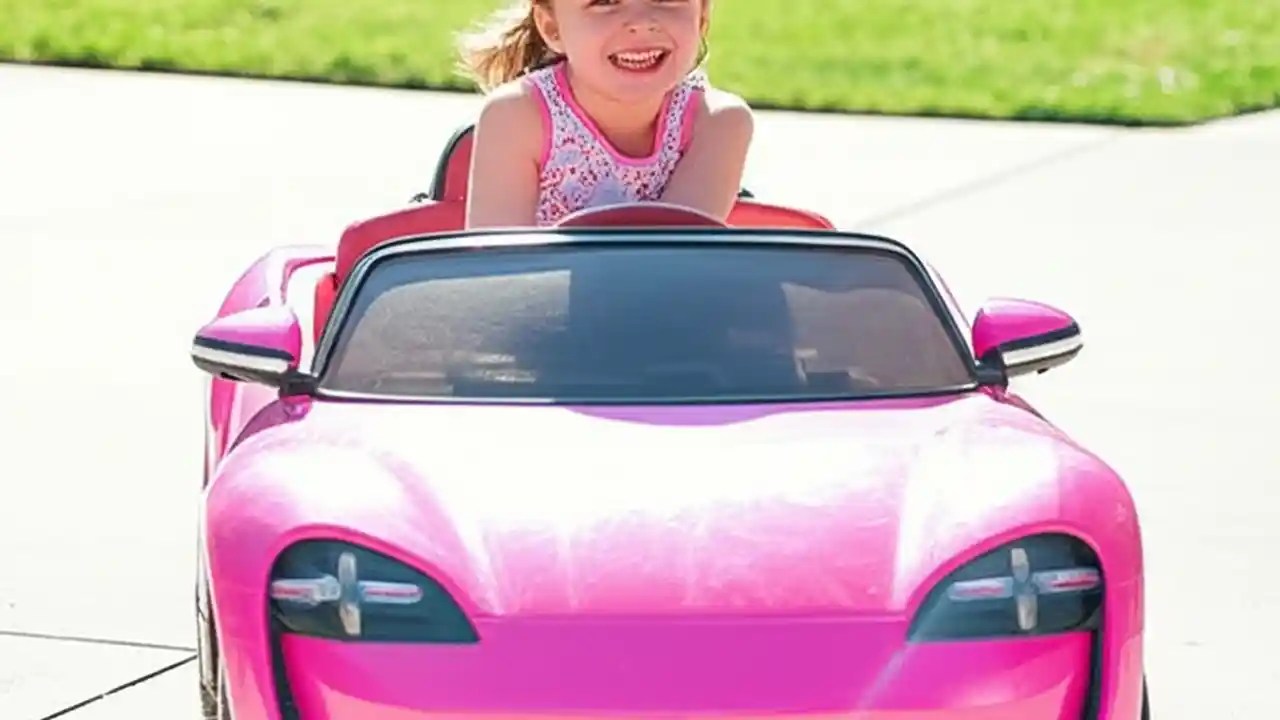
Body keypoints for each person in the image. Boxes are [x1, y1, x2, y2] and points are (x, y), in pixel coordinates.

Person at [456, 0, 754, 228]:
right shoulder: (517, 117)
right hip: (542, 305)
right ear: (552, 28)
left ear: (701, 16)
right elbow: (498, 275)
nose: (641, 22)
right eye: (606, 1)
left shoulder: (718, 124)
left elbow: (675, 259)